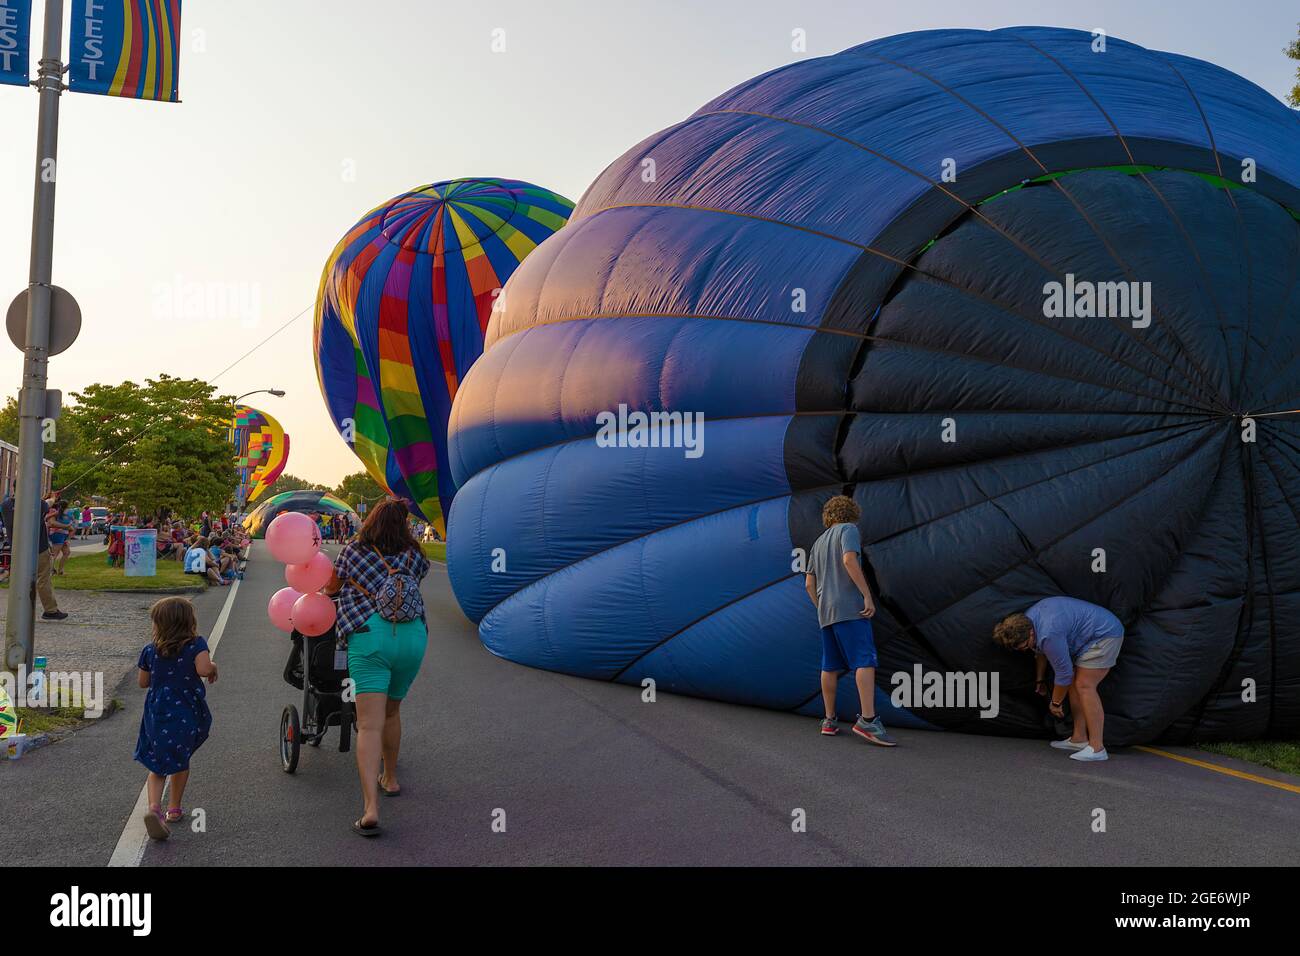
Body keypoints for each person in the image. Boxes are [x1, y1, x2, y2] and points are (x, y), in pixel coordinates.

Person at [325, 498, 431, 837]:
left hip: (370, 636)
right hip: (412, 638)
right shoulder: (415, 555)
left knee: (368, 725)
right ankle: (392, 778)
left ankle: (371, 808)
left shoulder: (354, 551)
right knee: (392, 713)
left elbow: (331, 587)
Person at [804, 495, 895, 746]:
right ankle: (868, 720)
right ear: (851, 512)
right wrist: (866, 595)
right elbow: (848, 559)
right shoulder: (849, 530)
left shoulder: (818, 542)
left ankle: (829, 720)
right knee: (864, 660)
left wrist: (821, 606)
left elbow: (809, 583)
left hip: (827, 613)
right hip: (849, 607)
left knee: (829, 666)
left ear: (828, 516)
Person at [992, 596, 1125, 762]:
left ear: (1031, 632)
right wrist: (1040, 680)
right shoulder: (1027, 620)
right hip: (1088, 633)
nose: (1025, 650)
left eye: (1025, 646)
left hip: (1105, 634)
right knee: (1074, 685)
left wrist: (1055, 703)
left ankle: (1097, 748)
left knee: (1085, 686)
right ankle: (1079, 738)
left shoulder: (1048, 634)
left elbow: (1064, 674)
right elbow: (1039, 650)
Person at [134, 596, 217, 841]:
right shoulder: (196, 644)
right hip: (184, 711)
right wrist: (214, 667)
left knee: (157, 764)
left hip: (157, 713)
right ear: (188, 621)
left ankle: (153, 809)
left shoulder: (150, 650)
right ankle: (174, 808)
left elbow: (143, 682)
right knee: (180, 760)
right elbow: (203, 669)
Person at [0, 492, 66, 620]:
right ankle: (50, 610)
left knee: (21, 580)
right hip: (38, 548)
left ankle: (19, 610)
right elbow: (47, 504)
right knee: (43, 579)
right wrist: (52, 497)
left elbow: (28, 507)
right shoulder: (38, 504)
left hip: (18, 550)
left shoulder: (5, 505)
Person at [46, 499, 73, 574]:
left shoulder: (66, 513)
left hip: (64, 534)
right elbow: (51, 522)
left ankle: (60, 570)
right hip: (57, 534)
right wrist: (66, 526)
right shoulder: (55, 512)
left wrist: (68, 537)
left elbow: (71, 523)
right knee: (55, 553)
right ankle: (50, 571)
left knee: (67, 552)